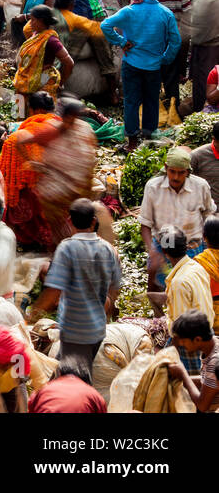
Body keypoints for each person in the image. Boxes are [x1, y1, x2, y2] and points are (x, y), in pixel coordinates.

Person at [27, 199, 121, 375]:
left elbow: (53, 291)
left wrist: (33, 313)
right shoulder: (109, 250)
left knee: (73, 373)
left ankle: (82, 398)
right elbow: (114, 289)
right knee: (75, 369)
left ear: (69, 221)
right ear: (94, 221)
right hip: (97, 329)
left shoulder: (67, 248)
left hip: (74, 328)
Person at [101, 0, 182, 147]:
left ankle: (131, 142)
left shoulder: (130, 11)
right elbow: (176, 41)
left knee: (131, 101)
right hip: (154, 66)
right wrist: (165, 59)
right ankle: (148, 139)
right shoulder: (165, 13)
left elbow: (105, 25)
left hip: (131, 64)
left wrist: (121, 41)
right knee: (151, 100)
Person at [140, 148, 217, 296]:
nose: (176, 177)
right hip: (164, 247)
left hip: (193, 246)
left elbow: (209, 215)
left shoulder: (200, 186)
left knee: (192, 291)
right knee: (158, 289)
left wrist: (209, 247)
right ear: (166, 168)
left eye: (181, 172)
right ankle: (158, 318)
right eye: (172, 171)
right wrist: (152, 251)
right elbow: (145, 224)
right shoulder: (153, 187)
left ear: (188, 172)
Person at [166, 310, 219, 412]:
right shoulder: (212, 345)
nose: (181, 344)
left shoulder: (214, 361)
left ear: (197, 339)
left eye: (183, 341)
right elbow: (206, 380)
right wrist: (178, 379)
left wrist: (183, 374)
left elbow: (202, 406)